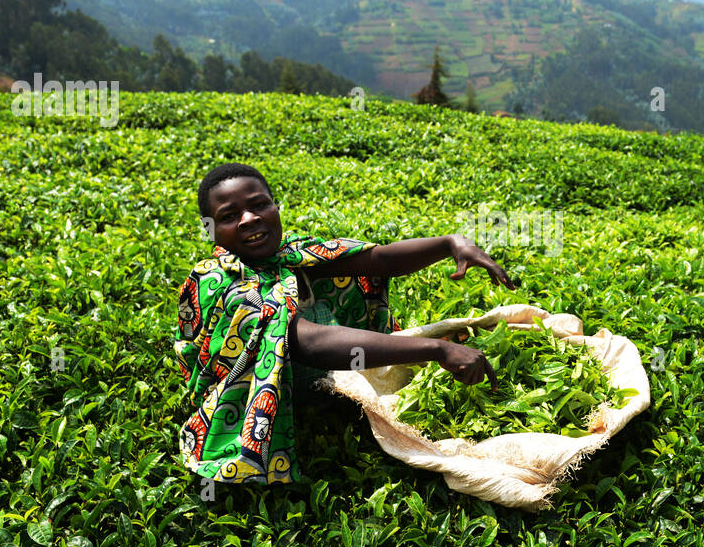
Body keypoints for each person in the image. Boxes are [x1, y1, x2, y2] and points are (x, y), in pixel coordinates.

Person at [174, 162, 515, 484]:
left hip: (317, 371)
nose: (249, 219)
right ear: (211, 230)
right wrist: (437, 348)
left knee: (319, 293)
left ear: (275, 208)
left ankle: (334, 388)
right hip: (241, 398)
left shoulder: (291, 254)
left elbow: (379, 261)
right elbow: (307, 341)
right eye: (229, 216)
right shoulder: (219, 278)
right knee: (292, 322)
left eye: (258, 205)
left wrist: (450, 243)